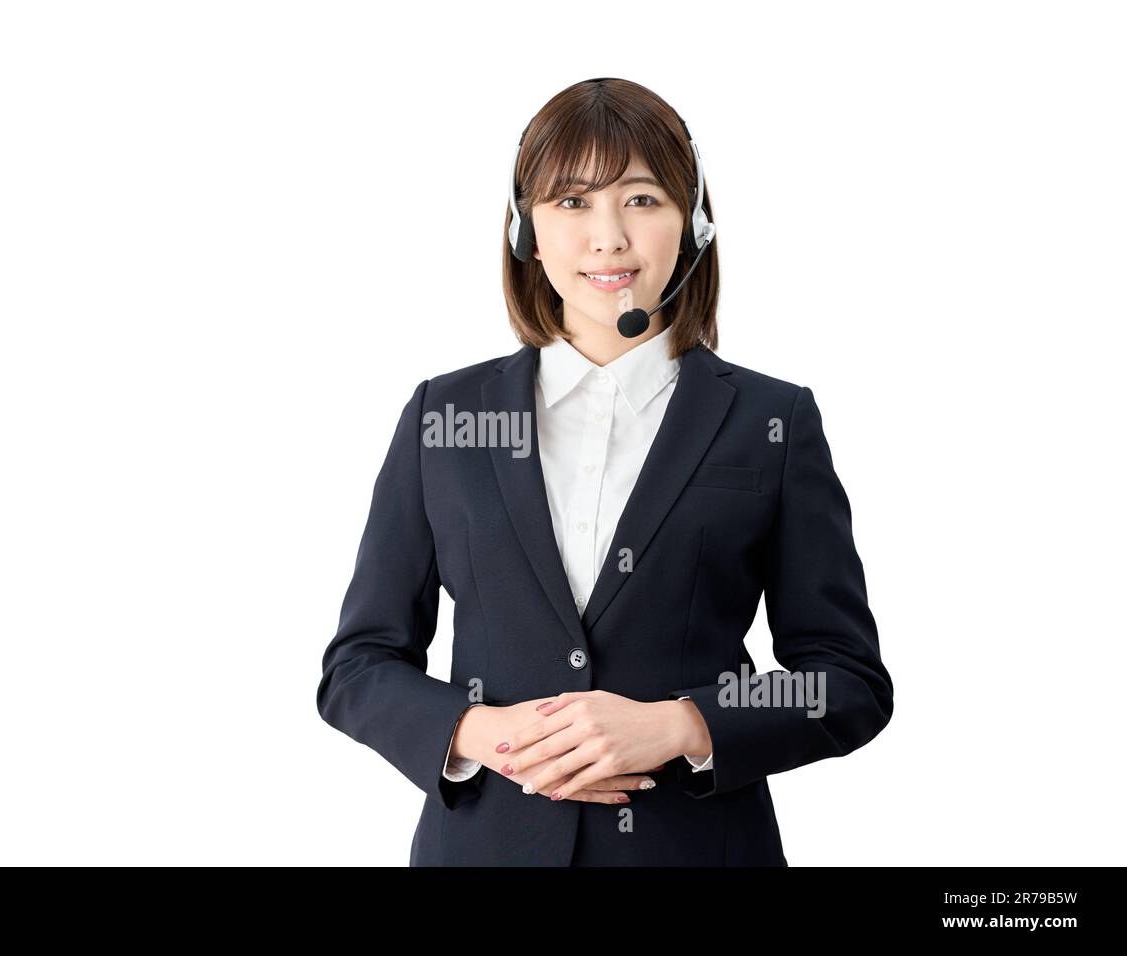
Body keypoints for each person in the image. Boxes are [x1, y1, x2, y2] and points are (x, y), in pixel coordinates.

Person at [316, 77, 893, 866]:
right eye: (572, 203)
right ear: (526, 231)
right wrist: (487, 733)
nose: (609, 238)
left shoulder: (775, 422)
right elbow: (358, 665)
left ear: (692, 223)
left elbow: (846, 679)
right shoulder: (442, 417)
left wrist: (682, 724)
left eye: (643, 200)